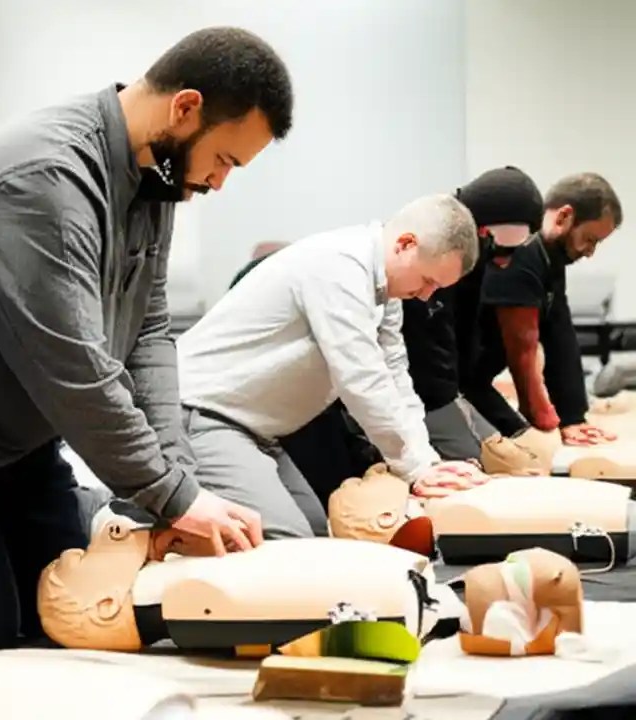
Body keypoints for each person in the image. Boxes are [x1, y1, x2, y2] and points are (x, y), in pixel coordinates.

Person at [0, 26, 294, 650]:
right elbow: (77, 375)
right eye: (225, 160)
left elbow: (148, 331)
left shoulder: (156, 174)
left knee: (60, 612)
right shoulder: (45, 182)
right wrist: (175, 499)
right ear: (184, 109)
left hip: (10, 431)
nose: (218, 182)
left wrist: (180, 481)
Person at [176, 194, 488, 539]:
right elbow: (362, 379)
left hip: (256, 430)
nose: (428, 295)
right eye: (428, 280)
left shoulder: (385, 292)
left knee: (315, 532)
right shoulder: (340, 268)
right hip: (204, 415)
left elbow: (395, 377)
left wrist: (427, 462)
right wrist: (415, 469)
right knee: (288, 542)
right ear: (405, 244)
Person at [458, 172, 623, 448]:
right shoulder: (519, 255)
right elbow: (522, 351)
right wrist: (544, 423)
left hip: (475, 383)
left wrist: (572, 417)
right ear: (564, 217)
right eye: (590, 239)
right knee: (532, 449)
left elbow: (560, 333)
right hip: (458, 386)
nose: (590, 251)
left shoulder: (552, 259)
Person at [401, 167, 544, 461]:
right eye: (502, 253)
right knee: (481, 462)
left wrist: (513, 427)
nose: (505, 263)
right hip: (413, 394)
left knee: (518, 455)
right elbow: (426, 365)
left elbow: (466, 368)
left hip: (443, 389)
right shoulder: (436, 244)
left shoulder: (477, 255)